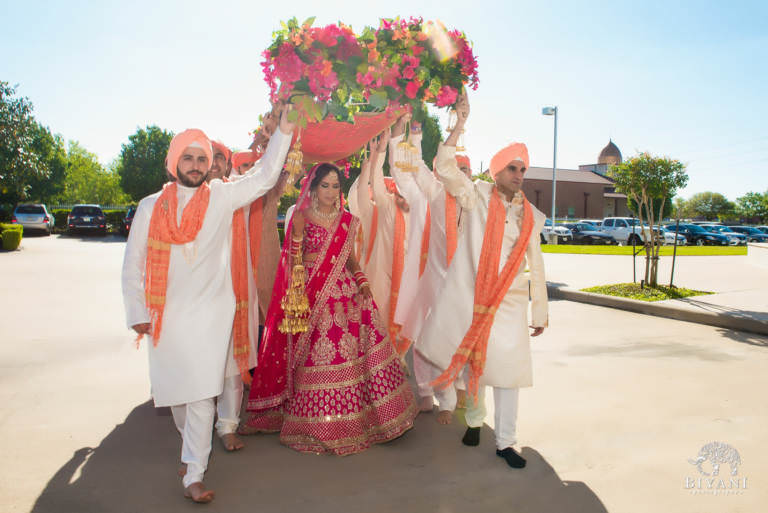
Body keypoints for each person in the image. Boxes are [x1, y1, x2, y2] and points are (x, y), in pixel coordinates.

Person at [121, 106, 294, 502]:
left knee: (201, 395)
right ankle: (190, 449)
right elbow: (133, 265)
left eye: (202, 158)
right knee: (176, 397)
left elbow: (265, 176)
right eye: (189, 157)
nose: (197, 165)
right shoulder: (150, 208)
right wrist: (136, 312)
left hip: (211, 317)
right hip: (166, 320)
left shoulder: (221, 197)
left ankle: (194, 473)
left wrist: (283, 130)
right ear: (174, 162)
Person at [241, 160, 418, 455]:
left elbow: (349, 259)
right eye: (325, 185)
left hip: (346, 290)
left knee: (359, 347)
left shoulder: (346, 220)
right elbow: (293, 259)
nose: (332, 191)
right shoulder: (301, 215)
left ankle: (368, 418)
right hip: (312, 291)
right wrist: (299, 290)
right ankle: (316, 423)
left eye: (336, 186)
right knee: (318, 353)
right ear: (313, 187)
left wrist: (361, 281)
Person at [416, 93, 548, 469]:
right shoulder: (476, 196)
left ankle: (506, 442)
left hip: (510, 304)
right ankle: (474, 420)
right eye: (512, 169)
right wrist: (458, 125)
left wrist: (539, 310)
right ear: (497, 172)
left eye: (523, 170)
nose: (519, 176)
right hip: (474, 299)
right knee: (477, 363)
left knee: (507, 375)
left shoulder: (532, 218)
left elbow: (535, 266)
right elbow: (443, 167)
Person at [388, 117, 473, 423]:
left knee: (464, 335)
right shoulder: (436, 193)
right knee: (425, 337)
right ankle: (428, 393)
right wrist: (405, 137)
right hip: (435, 280)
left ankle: (459, 386)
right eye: (457, 170)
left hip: (465, 284)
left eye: (466, 171)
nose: (462, 176)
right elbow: (407, 168)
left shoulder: (477, 200)